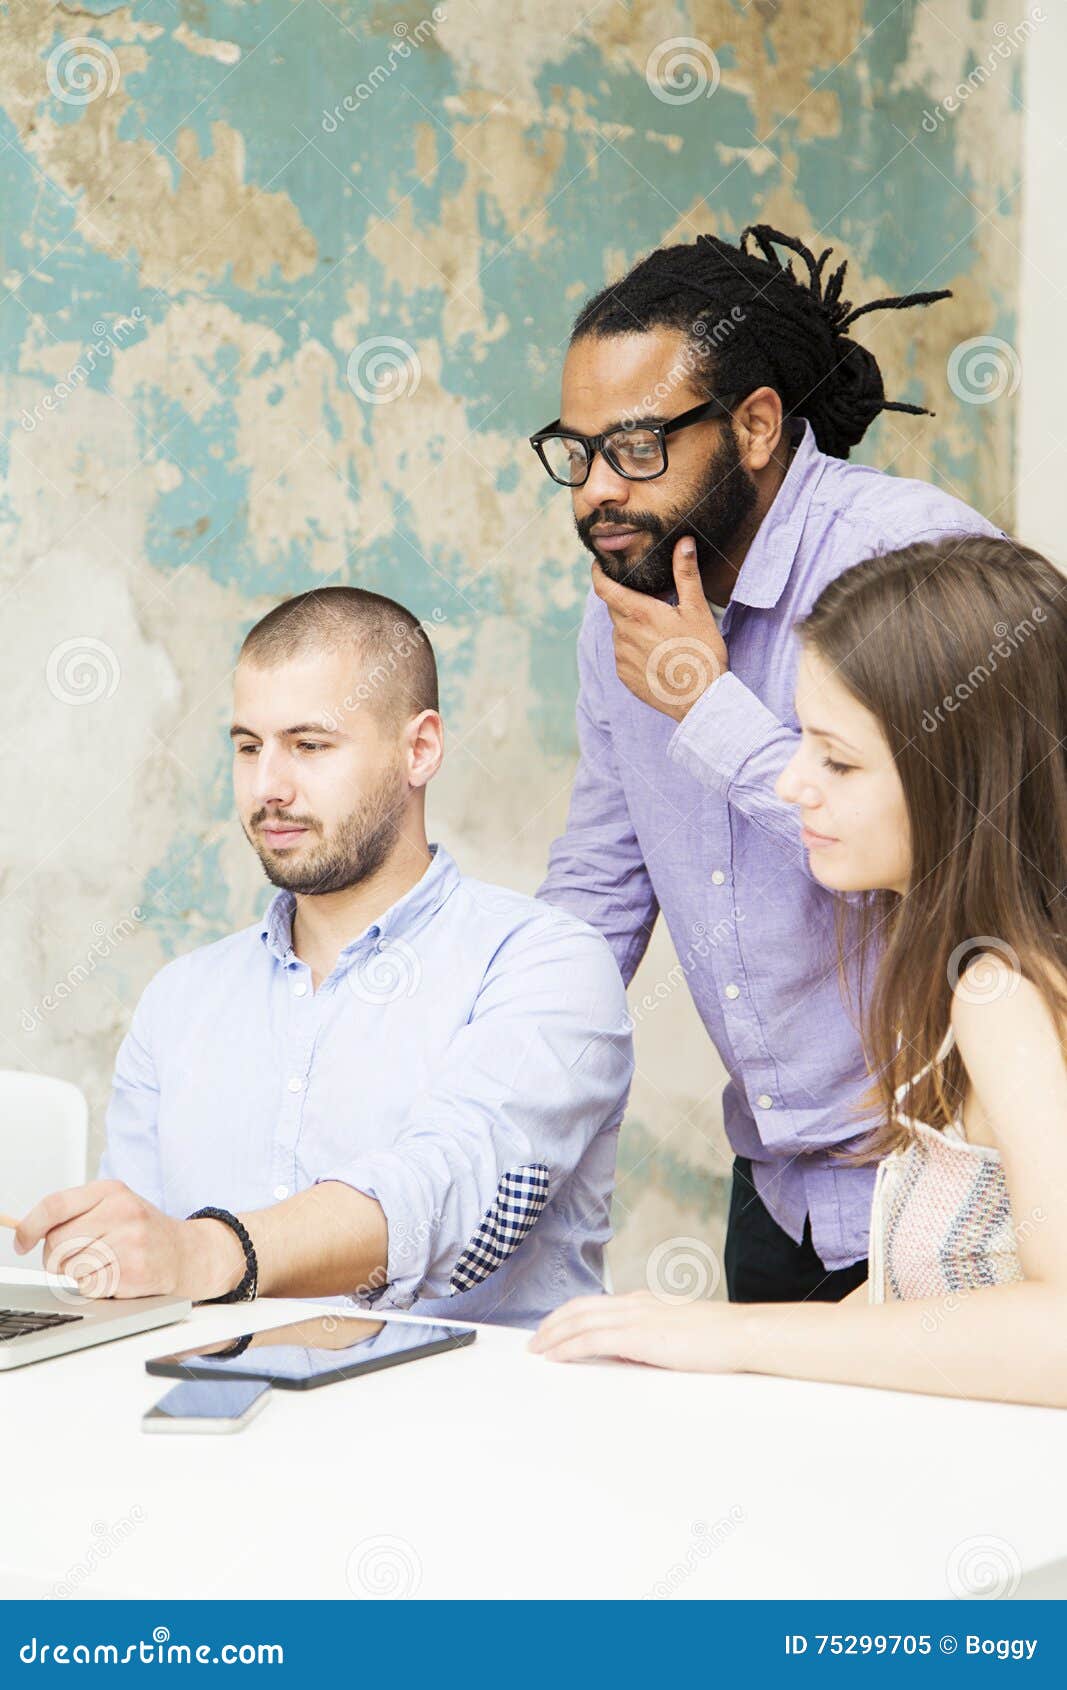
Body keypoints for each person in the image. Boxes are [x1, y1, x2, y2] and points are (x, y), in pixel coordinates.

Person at [533, 223, 1002, 1302]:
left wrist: (711, 707)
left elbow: (977, 840)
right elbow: (598, 892)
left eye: (636, 447)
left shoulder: (907, 557)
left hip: (950, 1189)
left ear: (751, 426)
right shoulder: (620, 619)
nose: (594, 490)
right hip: (775, 1193)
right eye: (577, 450)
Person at [531, 535, 1067, 1408]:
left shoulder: (999, 994)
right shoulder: (960, 968)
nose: (791, 784)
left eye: (838, 760)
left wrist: (730, 1333)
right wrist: (705, 1343)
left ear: (962, 777)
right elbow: (934, 1303)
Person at [14, 588, 633, 1327]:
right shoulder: (179, 1000)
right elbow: (143, 1271)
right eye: (248, 747)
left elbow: (449, 1196)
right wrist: (102, 1258)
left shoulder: (545, 964)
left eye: (309, 746)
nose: (268, 788)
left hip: (467, 1431)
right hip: (210, 1427)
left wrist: (204, 1252)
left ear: (420, 748)